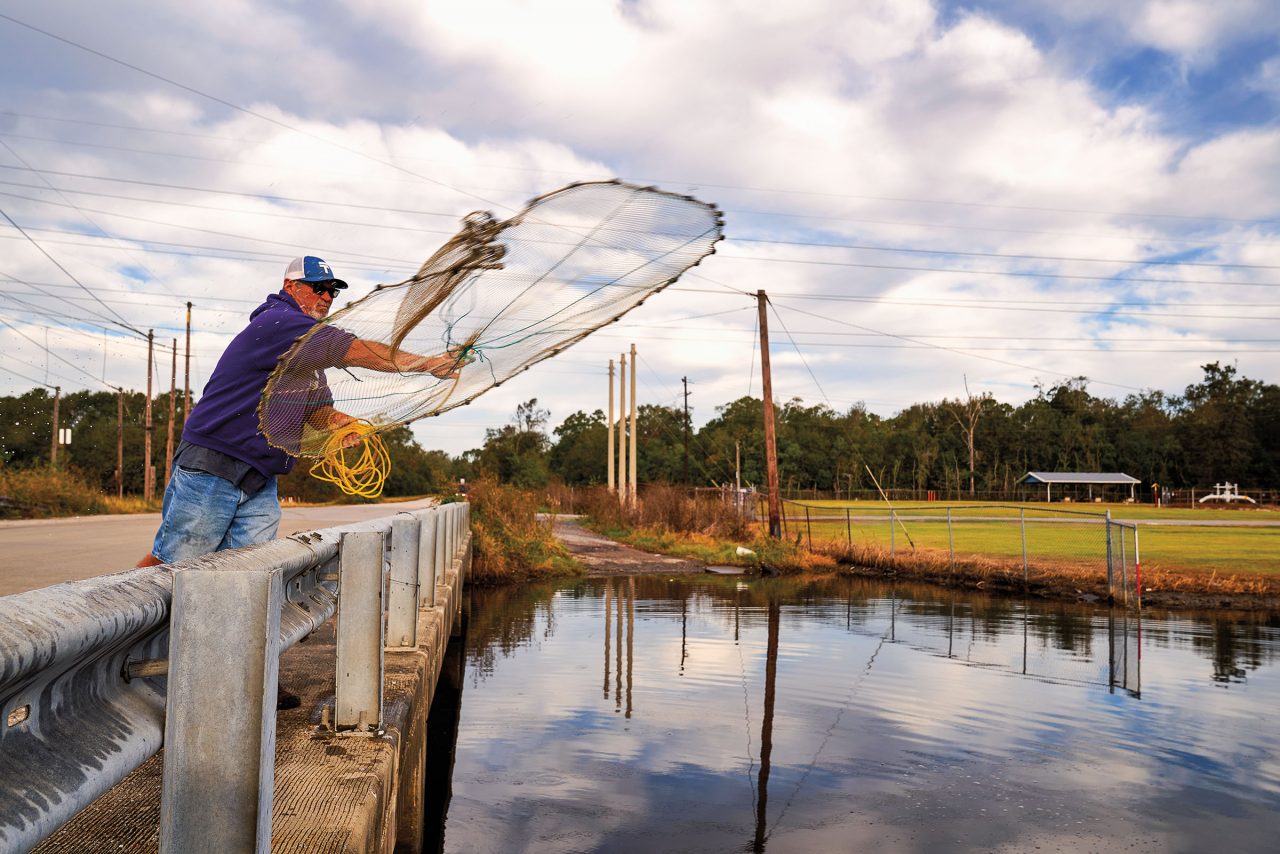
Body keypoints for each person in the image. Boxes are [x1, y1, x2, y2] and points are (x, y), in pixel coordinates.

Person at [138, 255, 460, 569]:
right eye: (318, 287)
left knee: (248, 571)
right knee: (173, 567)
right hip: (214, 463)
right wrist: (426, 364)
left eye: (332, 291)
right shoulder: (280, 322)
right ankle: (123, 602)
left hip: (260, 476)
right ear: (290, 286)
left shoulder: (308, 359)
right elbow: (352, 350)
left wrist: (340, 424)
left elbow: (317, 412)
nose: (326, 297)